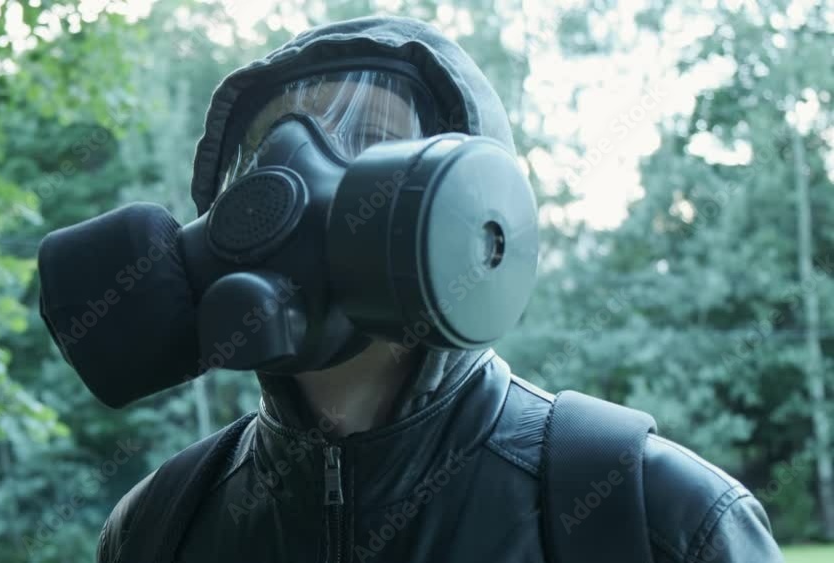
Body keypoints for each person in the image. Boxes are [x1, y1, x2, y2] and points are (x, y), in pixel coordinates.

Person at [96, 15, 783, 563]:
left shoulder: (658, 515)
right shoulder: (156, 526)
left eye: (369, 137)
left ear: (471, 207)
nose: (291, 175)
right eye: (268, 142)